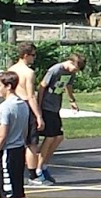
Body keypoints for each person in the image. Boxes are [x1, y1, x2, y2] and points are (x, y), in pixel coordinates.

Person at [32, 52, 85, 186]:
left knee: (59, 137)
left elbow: (68, 86)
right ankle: (38, 170)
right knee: (50, 137)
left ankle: (44, 165)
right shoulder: (55, 70)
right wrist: (38, 107)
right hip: (46, 107)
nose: (75, 72)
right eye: (75, 69)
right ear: (70, 62)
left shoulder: (70, 73)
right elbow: (42, 86)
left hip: (55, 107)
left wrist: (72, 100)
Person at [8, 42, 42, 174]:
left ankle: (13, 170)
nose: (34, 58)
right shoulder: (29, 73)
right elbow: (31, 96)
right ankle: (33, 175)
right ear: (26, 55)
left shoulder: (11, 70)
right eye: (33, 55)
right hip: (26, 105)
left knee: (15, 140)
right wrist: (38, 116)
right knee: (31, 142)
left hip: (13, 104)